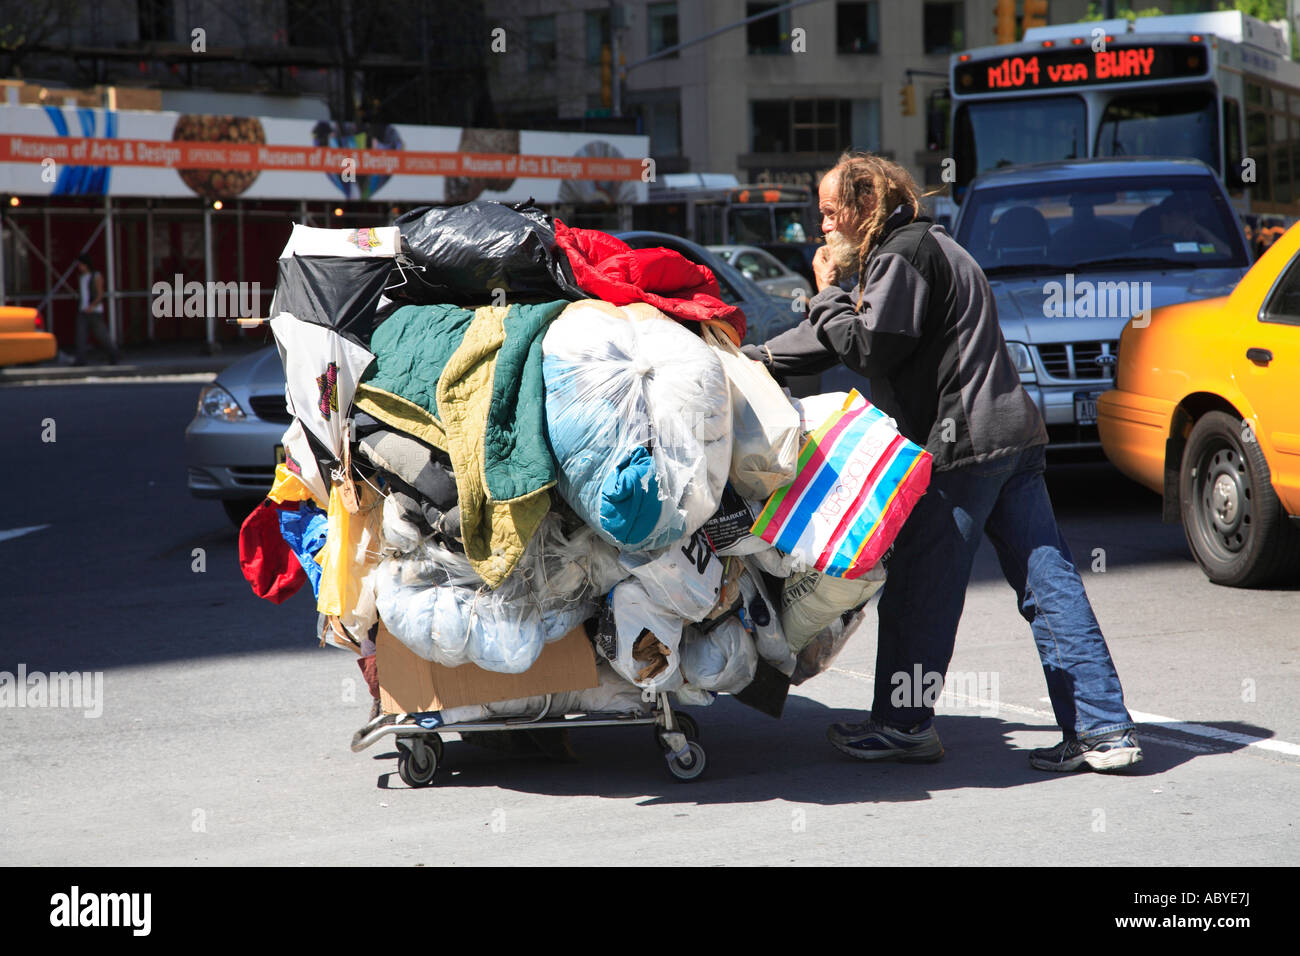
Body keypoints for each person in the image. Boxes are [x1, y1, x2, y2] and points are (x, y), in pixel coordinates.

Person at [744, 151, 1142, 773]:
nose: (821, 227)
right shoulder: (925, 246)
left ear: (865, 205)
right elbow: (844, 333)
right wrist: (755, 359)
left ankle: (904, 726)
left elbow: (867, 346)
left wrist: (823, 293)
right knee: (1048, 584)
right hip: (1014, 438)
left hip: (963, 447)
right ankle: (1103, 729)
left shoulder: (902, 254)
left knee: (919, 592)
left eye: (828, 213)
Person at [73, 253, 120, 366]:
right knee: (80, 335)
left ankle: (114, 355)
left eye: (81, 265)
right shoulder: (81, 278)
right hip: (83, 310)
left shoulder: (96, 276)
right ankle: (80, 359)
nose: (80, 267)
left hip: (94, 311)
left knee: (102, 335)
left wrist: (92, 306)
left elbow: (100, 294)